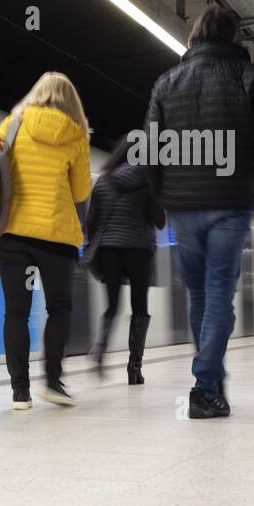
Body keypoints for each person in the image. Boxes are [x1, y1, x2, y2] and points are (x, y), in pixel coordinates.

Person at [144, 5, 254, 418]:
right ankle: (206, 386)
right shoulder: (252, 76)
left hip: (183, 206)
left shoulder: (166, 82)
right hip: (230, 200)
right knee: (217, 296)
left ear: (194, 36)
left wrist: (162, 193)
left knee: (201, 296)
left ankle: (209, 383)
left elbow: (151, 146)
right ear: (233, 37)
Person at [0, 72, 92, 410]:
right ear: (70, 101)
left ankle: (20, 393)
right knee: (59, 308)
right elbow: (80, 192)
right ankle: (52, 382)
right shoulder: (76, 135)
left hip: (13, 234)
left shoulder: (12, 125)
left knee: (16, 312)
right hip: (56, 237)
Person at [83, 133, 166, 384]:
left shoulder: (103, 180)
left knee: (112, 305)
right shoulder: (148, 180)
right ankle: (134, 369)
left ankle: (100, 349)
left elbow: (91, 222)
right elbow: (160, 221)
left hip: (109, 249)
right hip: (139, 249)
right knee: (139, 307)